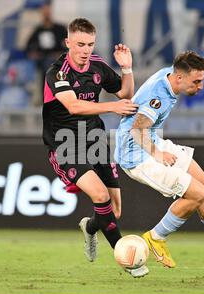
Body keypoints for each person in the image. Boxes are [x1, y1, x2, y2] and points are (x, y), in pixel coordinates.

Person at [114, 51, 204, 268]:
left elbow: (199, 66)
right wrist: (158, 154)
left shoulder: (172, 73)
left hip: (151, 139)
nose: (200, 86)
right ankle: (155, 238)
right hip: (137, 155)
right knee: (197, 194)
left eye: (201, 80)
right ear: (180, 78)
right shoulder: (159, 98)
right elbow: (137, 130)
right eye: (197, 82)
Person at [42, 18, 146, 277]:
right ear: (68, 43)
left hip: (96, 139)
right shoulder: (58, 72)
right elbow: (74, 106)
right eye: (80, 44)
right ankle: (126, 260)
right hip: (65, 143)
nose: (86, 49)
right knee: (100, 197)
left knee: (115, 210)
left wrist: (128, 69)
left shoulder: (97, 65)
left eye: (90, 44)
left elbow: (125, 94)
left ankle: (89, 228)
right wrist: (112, 107)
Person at [26, 2, 68, 81]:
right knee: (47, 66)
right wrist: (33, 53)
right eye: (44, 13)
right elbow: (28, 45)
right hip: (43, 58)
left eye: (48, 12)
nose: (46, 15)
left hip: (58, 57)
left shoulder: (60, 29)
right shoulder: (38, 30)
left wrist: (63, 52)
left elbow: (70, 43)